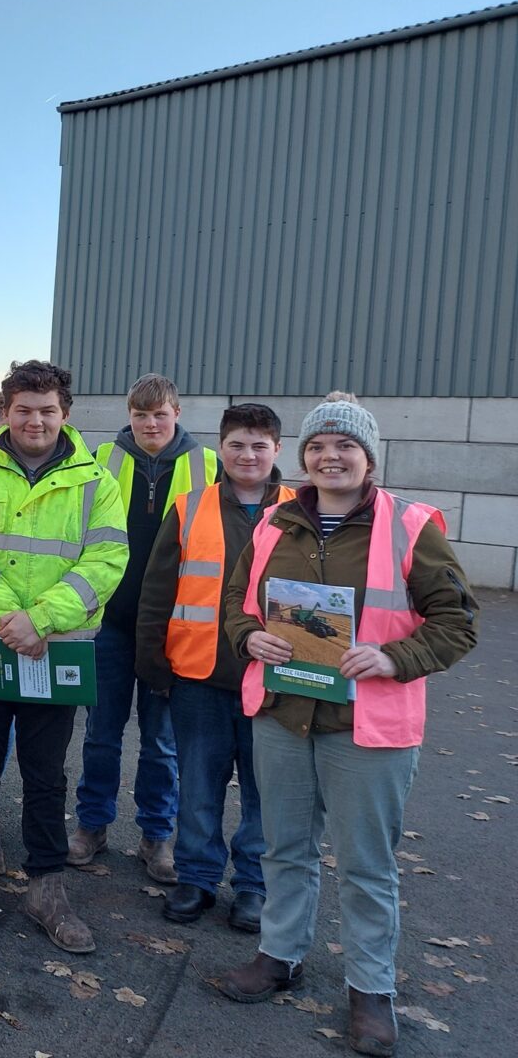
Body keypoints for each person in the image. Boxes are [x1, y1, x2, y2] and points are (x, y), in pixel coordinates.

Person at [213, 393, 478, 1056]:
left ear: (368, 458)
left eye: (345, 447)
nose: (331, 457)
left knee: (366, 865)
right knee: (285, 848)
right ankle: (280, 956)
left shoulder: (411, 525)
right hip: (284, 713)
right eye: (319, 447)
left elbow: (458, 622)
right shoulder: (277, 522)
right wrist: (249, 640)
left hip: (369, 726)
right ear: (305, 457)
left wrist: (392, 657)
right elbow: (238, 607)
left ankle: (370, 989)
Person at [0, 360, 127, 954]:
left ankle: (47, 885)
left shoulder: (99, 483)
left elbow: (106, 562)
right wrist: (10, 622)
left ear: (65, 415)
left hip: (54, 650)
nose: (35, 421)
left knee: (46, 776)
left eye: (47, 411)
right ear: (6, 413)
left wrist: (40, 621)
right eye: (23, 410)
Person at [136, 404, 293, 933]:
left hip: (274, 680)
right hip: (198, 674)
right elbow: (157, 592)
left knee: (263, 792)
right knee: (199, 786)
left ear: (277, 450)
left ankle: (253, 886)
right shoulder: (190, 506)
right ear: (219, 449)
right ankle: (197, 878)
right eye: (236, 445)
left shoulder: (303, 511)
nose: (247, 455)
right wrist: (153, 663)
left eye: (259, 445)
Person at [70, 373, 218, 884]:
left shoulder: (208, 465)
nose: (151, 424)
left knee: (161, 742)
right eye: (140, 415)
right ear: (128, 416)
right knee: (101, 733)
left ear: (177, 412)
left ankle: (157, 837)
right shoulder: (101, 461)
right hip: (109, 619)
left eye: (160, 414)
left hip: (174, 627)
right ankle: (92, 826)